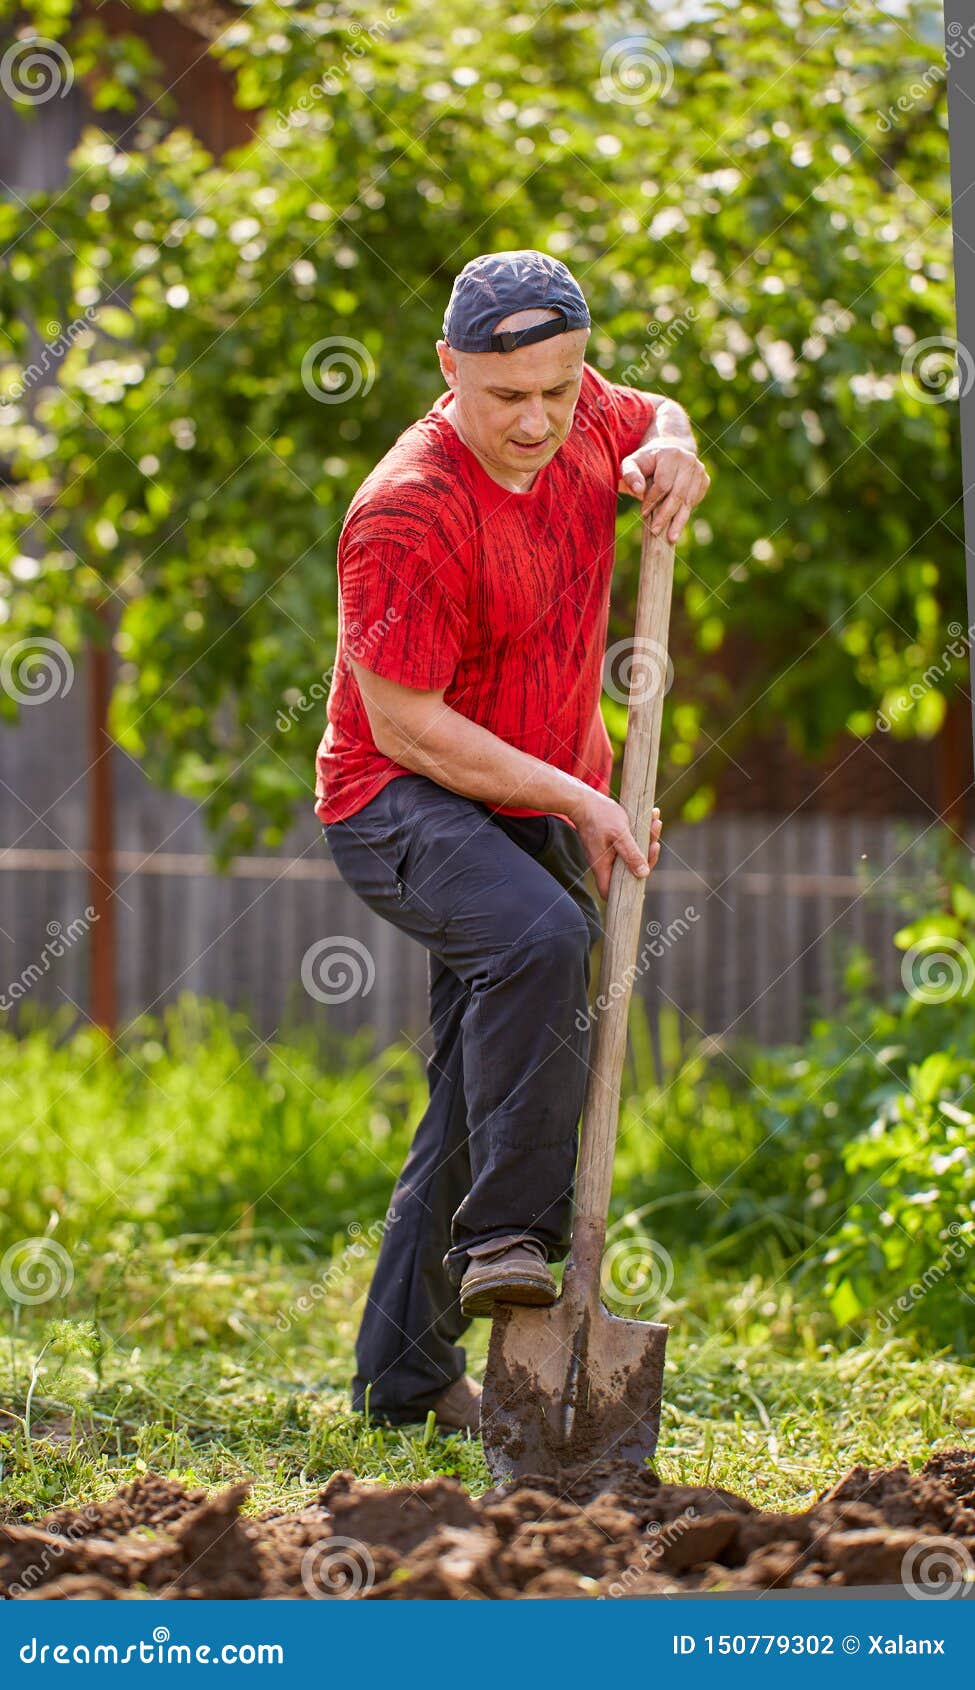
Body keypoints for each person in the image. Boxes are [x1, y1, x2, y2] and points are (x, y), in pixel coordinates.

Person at [314, 250, 710, 1434]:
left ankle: (405, 1379)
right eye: (506, 396)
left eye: (559, 388)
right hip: (396, 797)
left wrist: (674, 443)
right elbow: (404, 723)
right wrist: (583, 802)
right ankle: (508, 1239)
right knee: (542, 938)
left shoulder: (583, 418)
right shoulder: (406, 510)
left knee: (481, 1087)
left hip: (526, 792)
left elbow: (651, 410)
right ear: (449, 368)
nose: (538, 420)